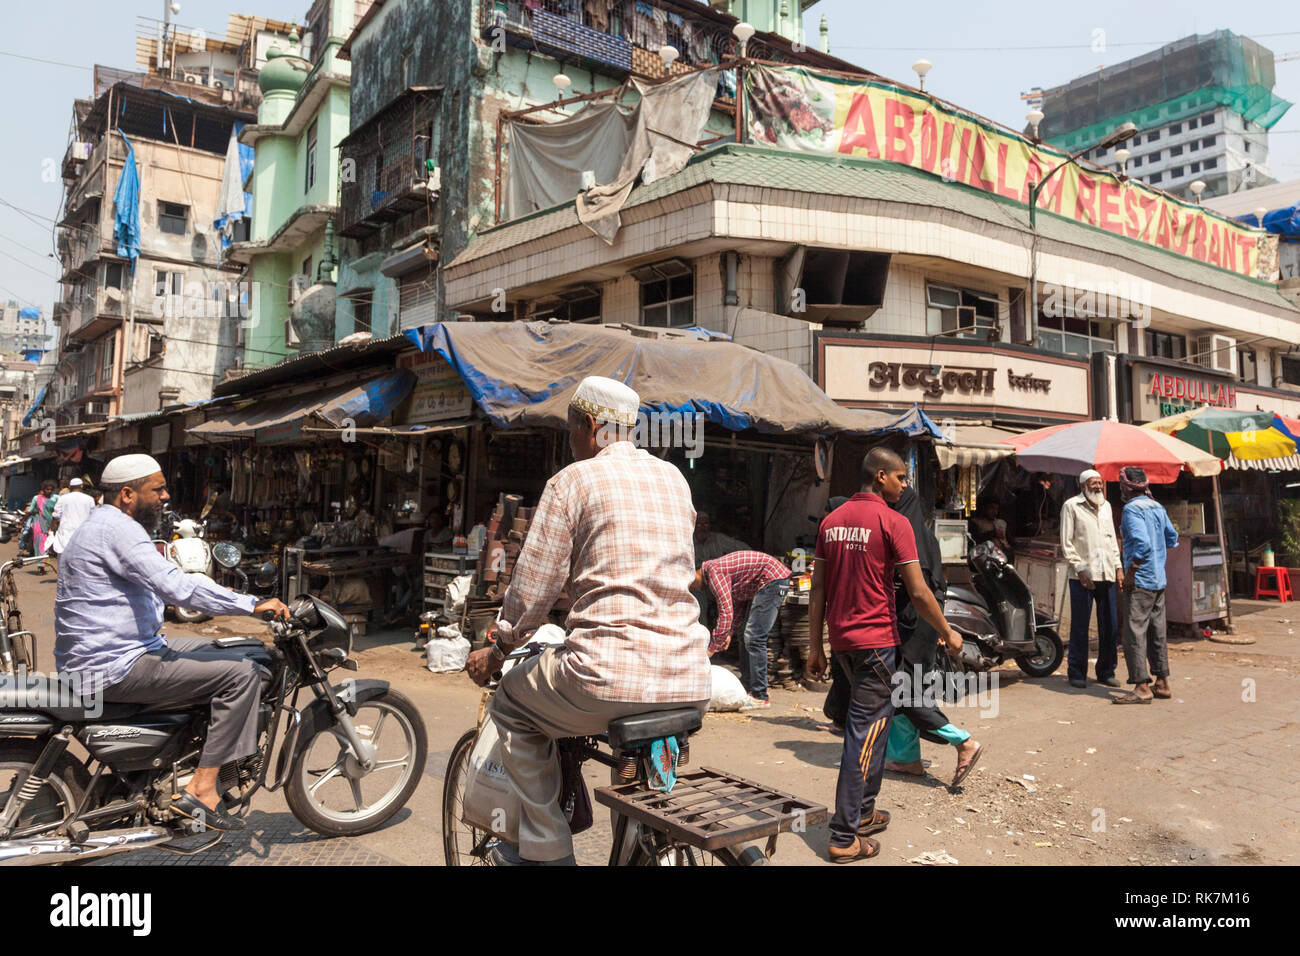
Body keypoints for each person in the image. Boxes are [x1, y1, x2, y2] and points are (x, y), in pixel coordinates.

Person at [464, 377, 710, 866]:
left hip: (605, 676)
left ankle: (548, 852)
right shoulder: (674, 480)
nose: (570, 440)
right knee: (630, 754)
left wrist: (498, 650)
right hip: (690, 678)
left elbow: (533, 587)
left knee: (512, 703)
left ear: (590, 425)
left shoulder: (572, 481)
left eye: (571, 428)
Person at [54, 454, 290, 831]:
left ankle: (194, 756)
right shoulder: (118, 529)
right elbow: (178, 587)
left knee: (245, 649)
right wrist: (251, 605)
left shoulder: (105, 523)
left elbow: (164, 582)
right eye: (157, 488)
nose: (165, 496)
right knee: (241, 675)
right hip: (116, 665)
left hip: (125, 650)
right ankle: (202, 789)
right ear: (128, 494)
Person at [807, 447, 965, 864]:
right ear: (880, 476)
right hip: (876, 642)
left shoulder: (832, 521)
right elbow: (918, 590)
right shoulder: (894, 522)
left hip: (842, 642)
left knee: (873, 733)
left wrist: (814, 646)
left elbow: (818, 589)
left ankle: (865, 812)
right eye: (900, 477)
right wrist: (948, 632)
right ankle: (843, 836)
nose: (904, 484)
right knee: (864, 737)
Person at [882, 487, 984, 787]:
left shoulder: (907, 536)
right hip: (921, 624)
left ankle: (963, 741)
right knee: (902, 693)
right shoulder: (927, 537)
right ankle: (906, 759)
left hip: (913, 624)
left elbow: (918, 590)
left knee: (905, 693)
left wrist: (944, 630)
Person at [691, 551, 792, 709]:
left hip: (773, 579)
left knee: (754, 637)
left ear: (694, 574)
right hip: (769, 579)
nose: (694, 588)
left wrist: (711, 650)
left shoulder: (714, 572)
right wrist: (729, 633)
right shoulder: (718, 572)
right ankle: (748, 688)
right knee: (744, 635)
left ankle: (760, 696)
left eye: (691, 584)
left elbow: (726, 612)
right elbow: (739, 602)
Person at [1116, 466, 1180, 704]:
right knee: (1157, 631)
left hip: (1141, 580)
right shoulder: (1157, 506)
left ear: (1126, 487)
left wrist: (1131, 571)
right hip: (1158, 579)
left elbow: (1141, 545)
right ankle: (1162, 682)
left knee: (1134, 632)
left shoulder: (1131, 510)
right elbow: (1172, 538)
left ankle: (1141, 686)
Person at [1059, 469, 1124, 689]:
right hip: (1083, 576)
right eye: (1093, 483)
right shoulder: (1071, 506)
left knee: (1110, 626)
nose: (1097, 486)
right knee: (1080, 626)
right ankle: (1076, 672)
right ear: (1083, 485)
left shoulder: (1106, 507)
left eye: (1100, 482)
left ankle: (1106, 670)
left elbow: (1112, 540)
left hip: (1106, 573)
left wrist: (1118, 567)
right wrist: (1079, 569)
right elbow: (1066, 543)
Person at [46, 477, 97, 574]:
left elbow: (56, 515)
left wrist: (50, 528)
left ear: (70, 487)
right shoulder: (89, 499)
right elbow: (93, 516)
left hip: (65, 532)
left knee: (63, 562)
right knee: (81, 559)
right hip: (83, 533)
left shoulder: (63, 498)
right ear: (81, 486)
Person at [27, 480, 58, 573]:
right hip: (39, 523)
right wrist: (23, 520)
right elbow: (31, 510)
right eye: (47, 489)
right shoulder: (36, 498)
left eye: (51, 489)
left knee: (48, 545)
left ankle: (45, 563)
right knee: (40, 544)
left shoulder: (56, 498)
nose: (49, 491)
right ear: (43, 489)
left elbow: (59, 511)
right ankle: (41, 566)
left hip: (52, 524)